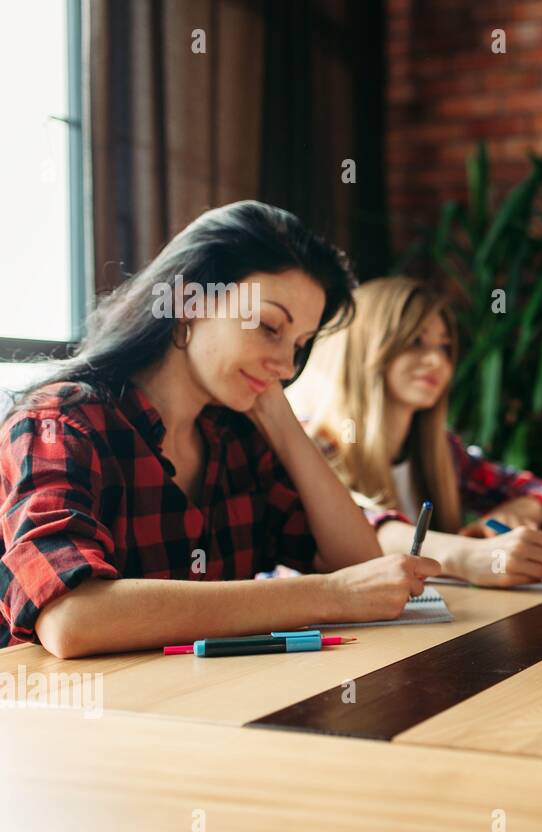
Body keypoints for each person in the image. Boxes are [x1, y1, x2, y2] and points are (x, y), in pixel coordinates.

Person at [0, 201, 441, 657]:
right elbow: (71, 618)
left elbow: (361, 565)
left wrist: (281, 421)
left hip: (203, 709)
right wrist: (329, 594)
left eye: (300, 346)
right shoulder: (59, 423)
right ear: (190, 303)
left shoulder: (235, 438)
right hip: (64, 719)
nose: (287, 365)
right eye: (270, 327)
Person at [289, 276, 542, 587]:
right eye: (415, 342)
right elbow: (349, 529)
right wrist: (465, 555)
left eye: (444, 346)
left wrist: (518, 510)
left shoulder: (441, 450)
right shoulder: (310, 444)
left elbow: (534, 488)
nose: (437, 360)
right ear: (362, 348)